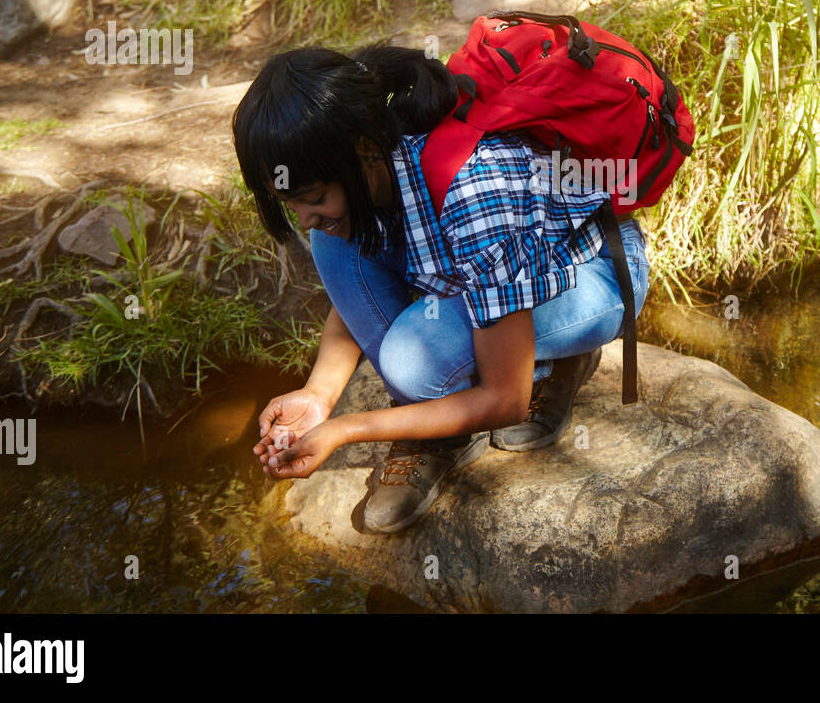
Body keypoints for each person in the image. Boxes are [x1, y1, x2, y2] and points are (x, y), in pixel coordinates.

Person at [231, 42, 650, 533]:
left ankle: (545, 365)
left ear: (364, 152)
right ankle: (438, 412)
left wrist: (346, 430)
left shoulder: (473, 195)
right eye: (291, 203)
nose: (303, 218)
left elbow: (505, 401)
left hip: (593, 276)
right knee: (332, 241)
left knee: (411, 362)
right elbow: (357, 296)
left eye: (316, 197)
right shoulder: (377, 166)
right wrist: (318, 397)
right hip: (503, 278)